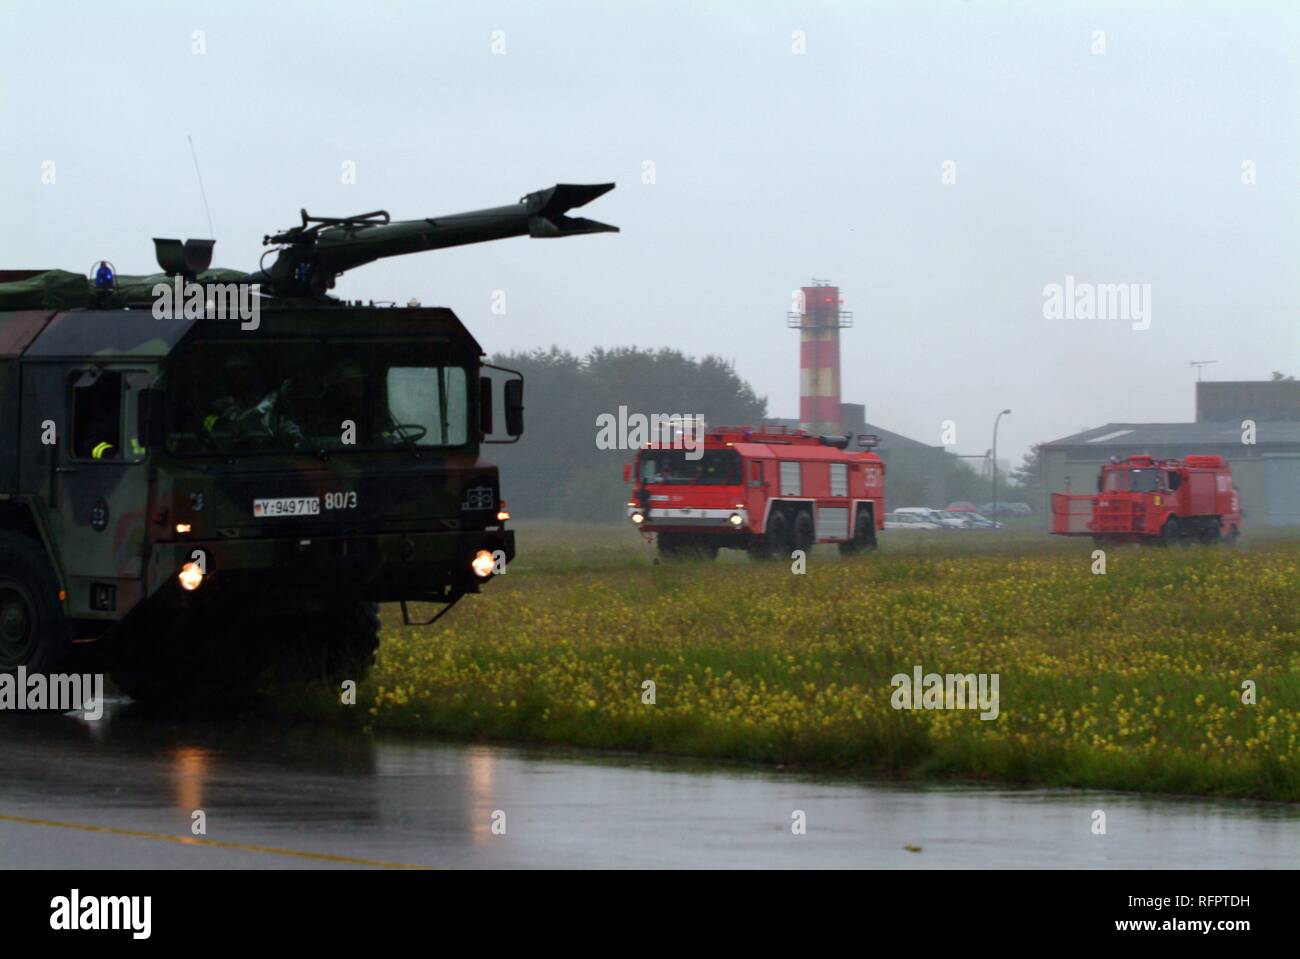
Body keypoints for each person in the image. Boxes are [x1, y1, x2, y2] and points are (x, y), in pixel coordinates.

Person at [203, 352, 304, 447]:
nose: (243, 376)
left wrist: (292, 434)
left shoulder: (263, 404)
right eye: (236, 372)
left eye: (246, 370)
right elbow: (241, 423)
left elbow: (277, 426)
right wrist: (273, 397)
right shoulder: (221, 405)